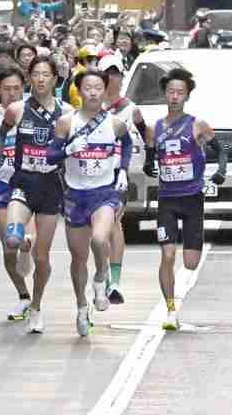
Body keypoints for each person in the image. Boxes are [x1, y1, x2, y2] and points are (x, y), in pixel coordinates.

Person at [0, 57, 70, 335]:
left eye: (47, 74)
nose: (42, 79)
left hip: (50, 188)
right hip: (22, 183)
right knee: (11, 237)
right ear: (29, 79)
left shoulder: (67, 113)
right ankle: (23, 246)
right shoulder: (17, 110)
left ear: (55, 79)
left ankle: (36, 306)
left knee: (43, 257)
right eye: (36, 74)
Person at [49, 69, 134, 337]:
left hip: (104, 192)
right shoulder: (66, 122)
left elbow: (127, 144)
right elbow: (50, 156)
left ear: (105, 90)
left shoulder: (115, 123)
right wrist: (67, 150)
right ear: (79, 91)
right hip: (75, 194)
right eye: (88, 87)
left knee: (100, 239)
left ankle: (101, 278)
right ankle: (81, 306)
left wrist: (122, 171)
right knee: (78, 257)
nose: (94, 92)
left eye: (99, 87)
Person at [142, 68, 213, 331]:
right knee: (167, 254)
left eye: (180, 92)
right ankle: (170, 310)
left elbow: (223, 148)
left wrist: (221, 168)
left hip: (192, 198)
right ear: (165, 94)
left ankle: (189, 253)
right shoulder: (155, 128)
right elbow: (151, 158)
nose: (174, 97)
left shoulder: (197, 124)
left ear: (187, 96)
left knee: (190, 263)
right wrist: (151, 165)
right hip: (167, 199)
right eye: (170, 92)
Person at [0, 66, 35, 322]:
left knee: (32, 244)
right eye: (7, 89)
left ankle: (37, 302)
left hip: (30, 185)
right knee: (8, 248)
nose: (12, 93)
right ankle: (23, 296)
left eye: (17, 88)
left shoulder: (34, 111)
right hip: (3, 186)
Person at [100, 54, 145, 305]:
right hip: (91, 174)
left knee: (114, 222)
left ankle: (114, 282)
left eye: (116, 73)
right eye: (108, 73)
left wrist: (139, 166)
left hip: (118, 175)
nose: (112, 78)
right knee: (97, 231)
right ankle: (102, 276)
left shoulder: (131, 109)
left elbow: (144, 134)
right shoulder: (90, 105)